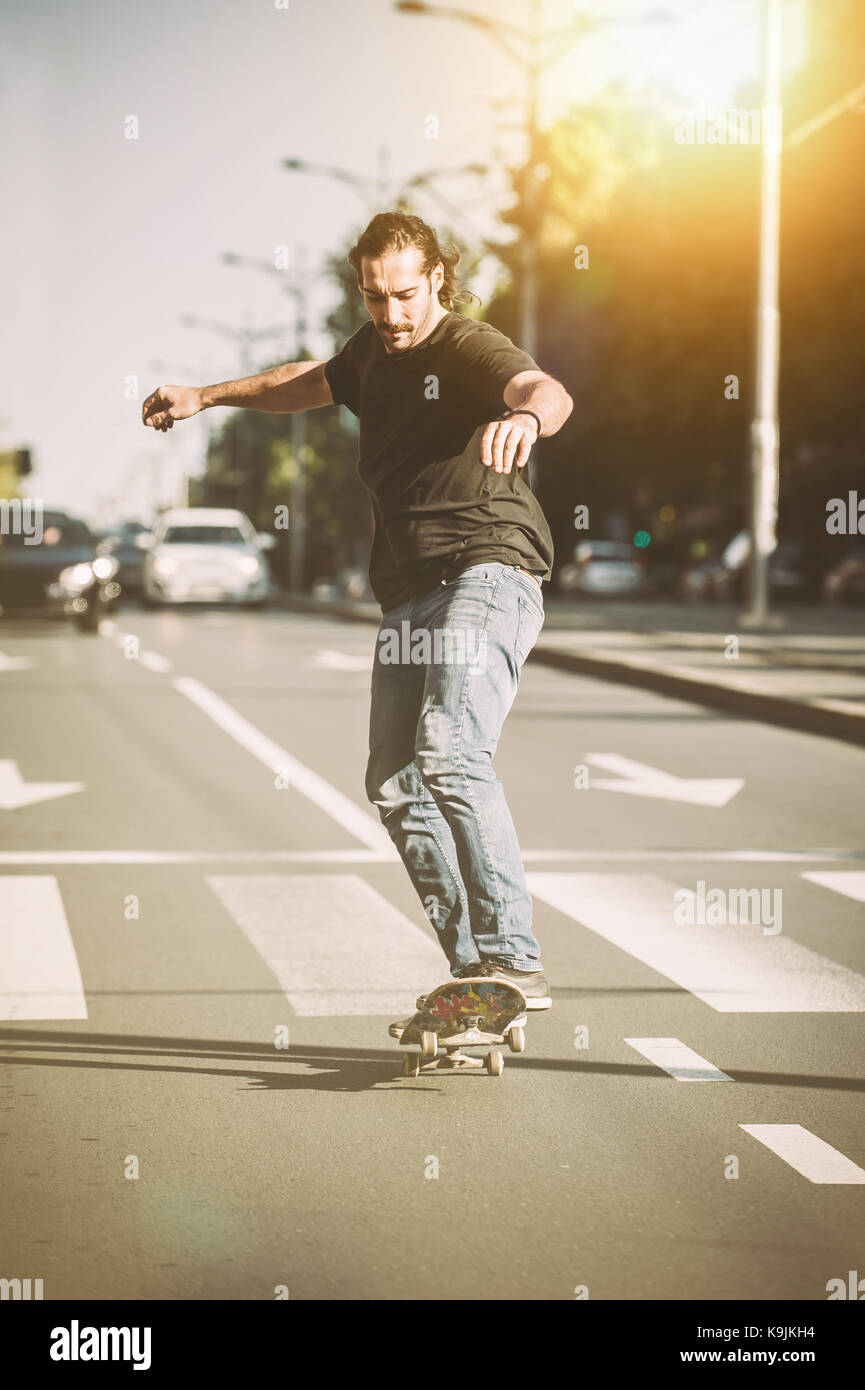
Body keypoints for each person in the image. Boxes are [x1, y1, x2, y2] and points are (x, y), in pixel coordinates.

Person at [142, 211, 573, 1011]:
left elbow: (541, 388)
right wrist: (205, 394)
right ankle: (474, 969)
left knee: (448, 751)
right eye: (374, 298)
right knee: (396, 783)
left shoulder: (464, 345)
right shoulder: (368, 356)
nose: (392, 315)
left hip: (487, 567)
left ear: (437, 278)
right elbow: (304, 381)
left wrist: (523, 418)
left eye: (405, 295)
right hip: (408, 589)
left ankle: (514, 957)